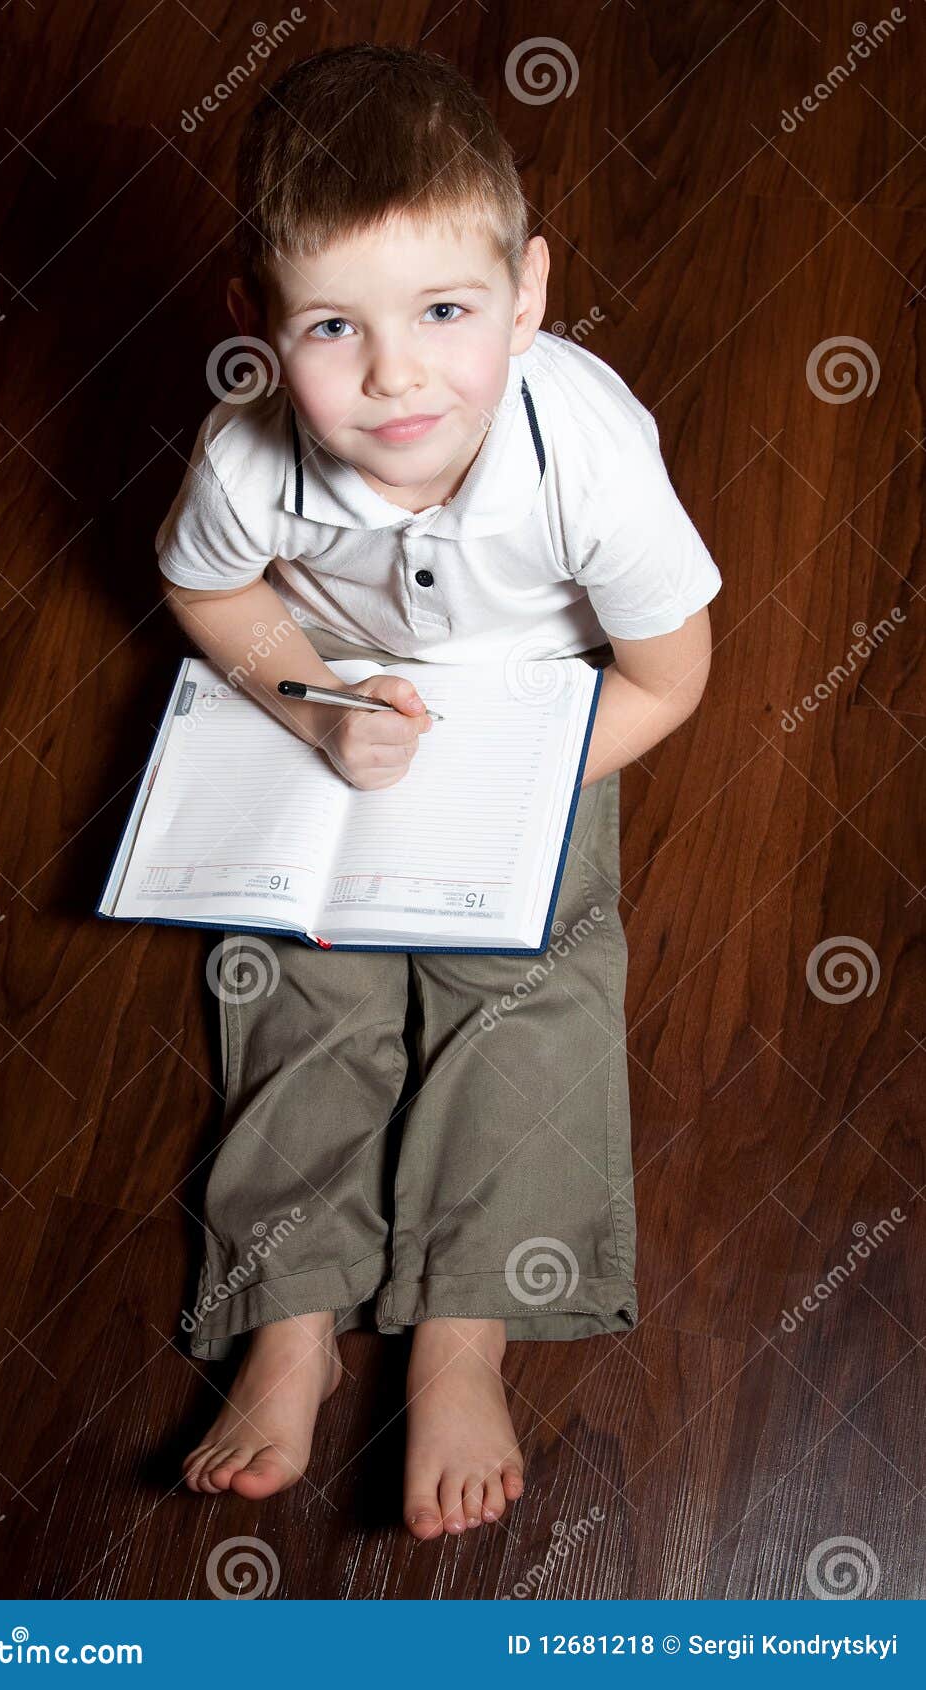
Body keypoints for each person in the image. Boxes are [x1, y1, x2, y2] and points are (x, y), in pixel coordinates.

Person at [156, 42, 721, 1540]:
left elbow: (668, 679)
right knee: (297, 989)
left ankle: (467, 1330)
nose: (398, 374)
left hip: (545, 721)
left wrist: (516, 788)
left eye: (447, 313)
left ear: (529, 294)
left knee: (521, 984)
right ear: (255, 329)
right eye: (335, 324)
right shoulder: (246, 462)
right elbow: (205, 593)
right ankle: (290, 1324)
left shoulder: (586, 458)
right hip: (343, 714)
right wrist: (309, 702)